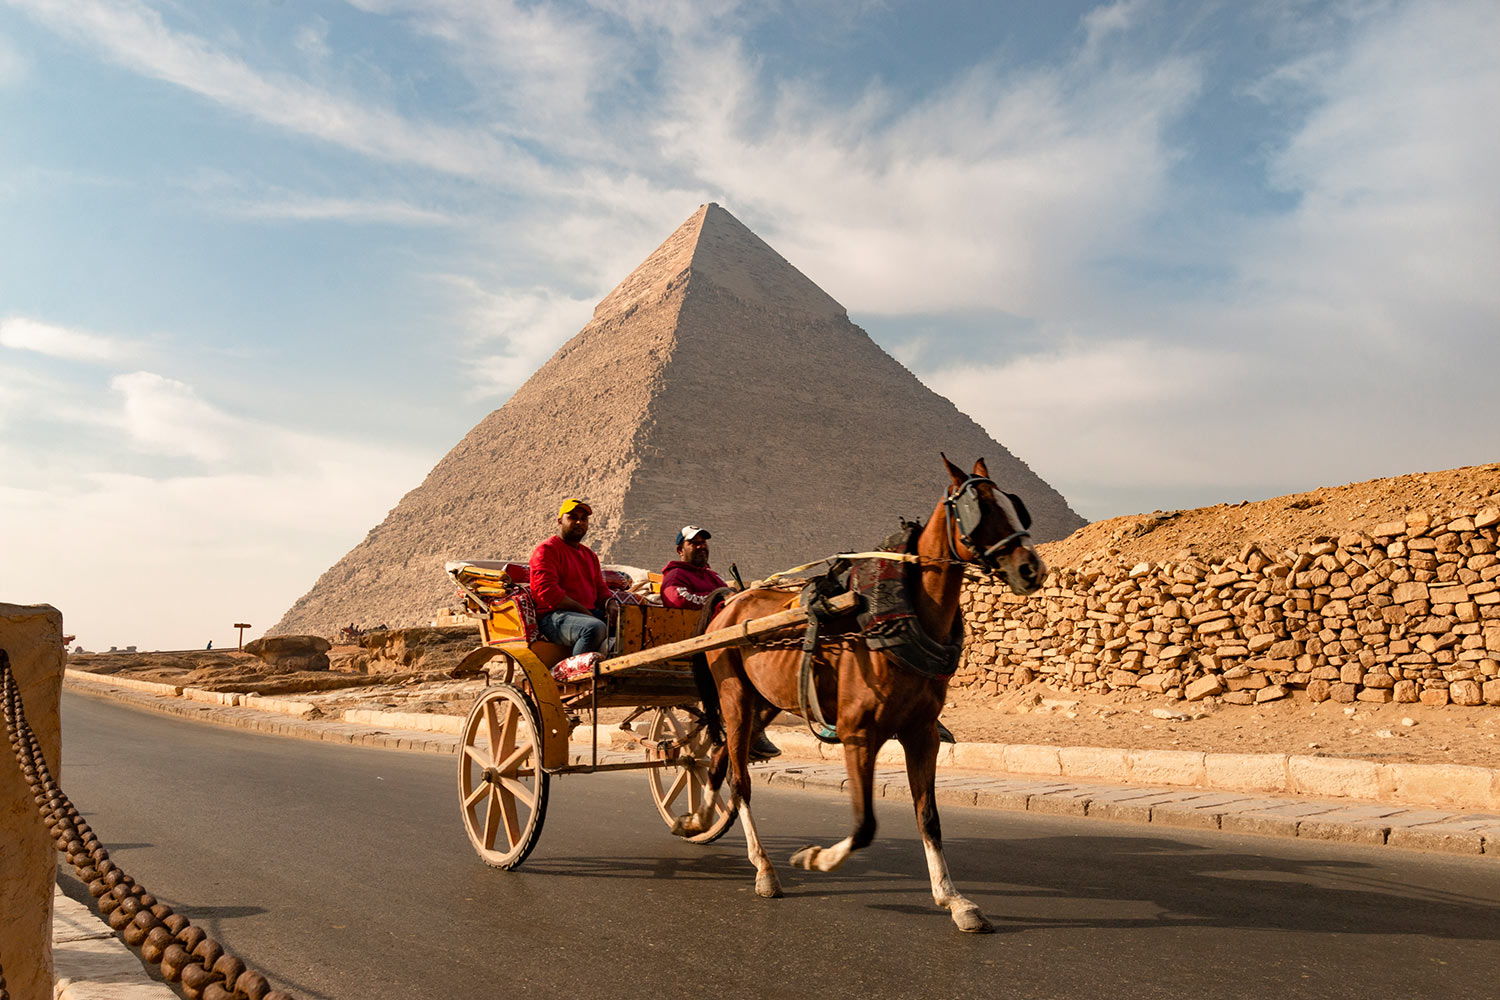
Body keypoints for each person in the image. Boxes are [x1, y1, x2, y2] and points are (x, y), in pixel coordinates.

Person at [661, 525, 781, 761]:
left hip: (722, 638)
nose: (700, 546)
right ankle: (748, 732)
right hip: (698, 642)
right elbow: (677, 599)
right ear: (680, 549)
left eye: (703, 542)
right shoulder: (676, 574)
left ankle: (753, 729)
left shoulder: (712, 576)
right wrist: (719, 602)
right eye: (693, 543)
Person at [530, 498, 611, 656]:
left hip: (586, 614)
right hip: (554, 617)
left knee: (631, 626)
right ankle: (574, 677)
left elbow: (601, 589)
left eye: (583, 518)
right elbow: (547, 593)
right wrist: (584, 611)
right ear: (560, 521)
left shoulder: (590, 555)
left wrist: (611, 603)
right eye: (572, 517)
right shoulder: (547, 550)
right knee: (594, 628)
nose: (579, 522)